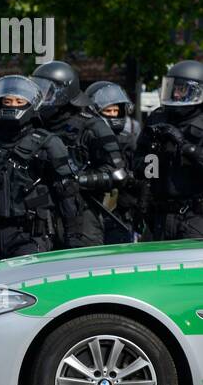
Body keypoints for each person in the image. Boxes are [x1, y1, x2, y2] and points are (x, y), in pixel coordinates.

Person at [0, 76, 81, 259]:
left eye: (19, 101)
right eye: (7, 101)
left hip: (31, 236)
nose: (12, 106)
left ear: (31, 105)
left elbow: (67, 194)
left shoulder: (48, 143)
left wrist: (73, 239)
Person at [32, 61, 128, 248]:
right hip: (43, 217)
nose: (42, 96)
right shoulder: (37, 125)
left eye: (47, 90)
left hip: (82, 216)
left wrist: (77, 180)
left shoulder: (92, 126)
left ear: (63, 92)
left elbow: (118, 174)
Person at [135, 60, 203, 240]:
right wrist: (155, 153)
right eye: (172, 88)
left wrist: (185, 146)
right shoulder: (158, 118)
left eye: (182, 89)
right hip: (160, 216)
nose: (176, 94)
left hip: (195, 217)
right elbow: (139, 166)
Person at [86, 81, 138, 243]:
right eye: (108, 111)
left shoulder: (128, 140)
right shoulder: (84, 138)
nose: (114, 115)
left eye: (117, 110)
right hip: (91, 211)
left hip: (121, 215)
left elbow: (141, 173)